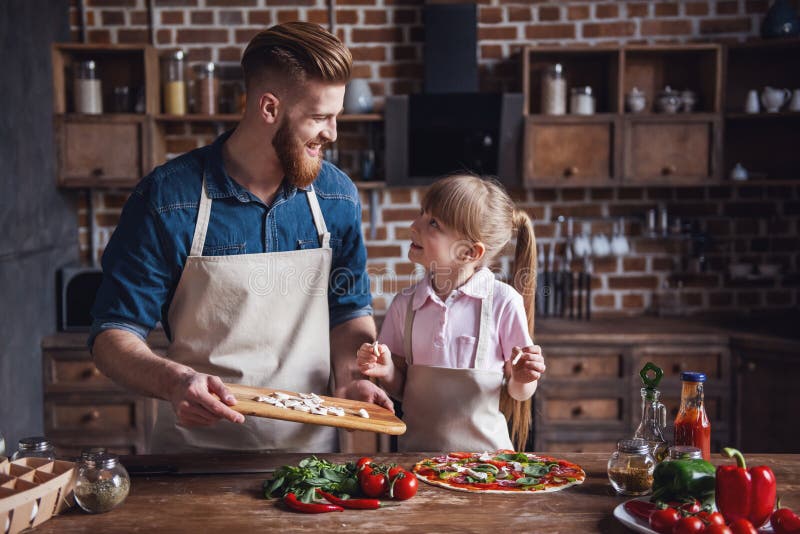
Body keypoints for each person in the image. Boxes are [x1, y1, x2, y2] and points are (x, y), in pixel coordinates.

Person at [89, 21, 392, 453]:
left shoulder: (335, 195)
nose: (333, 133)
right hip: (197, 458)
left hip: (311, 459)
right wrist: (176, 381)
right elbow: (111, 337)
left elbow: (347, 312)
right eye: (320, 117)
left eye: (336, 116)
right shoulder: (168, 198)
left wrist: (350, 381)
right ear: (269, 108)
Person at [357, 174, 546, 452]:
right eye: (422, 214)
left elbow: (518, 393)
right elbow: (402, 390)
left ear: (470, 252)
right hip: (416, 463)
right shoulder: (404, 305)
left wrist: (523, 378)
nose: (414, 225)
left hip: (488, 468)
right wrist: (386, 372)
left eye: (433, 223)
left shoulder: (504, 303)